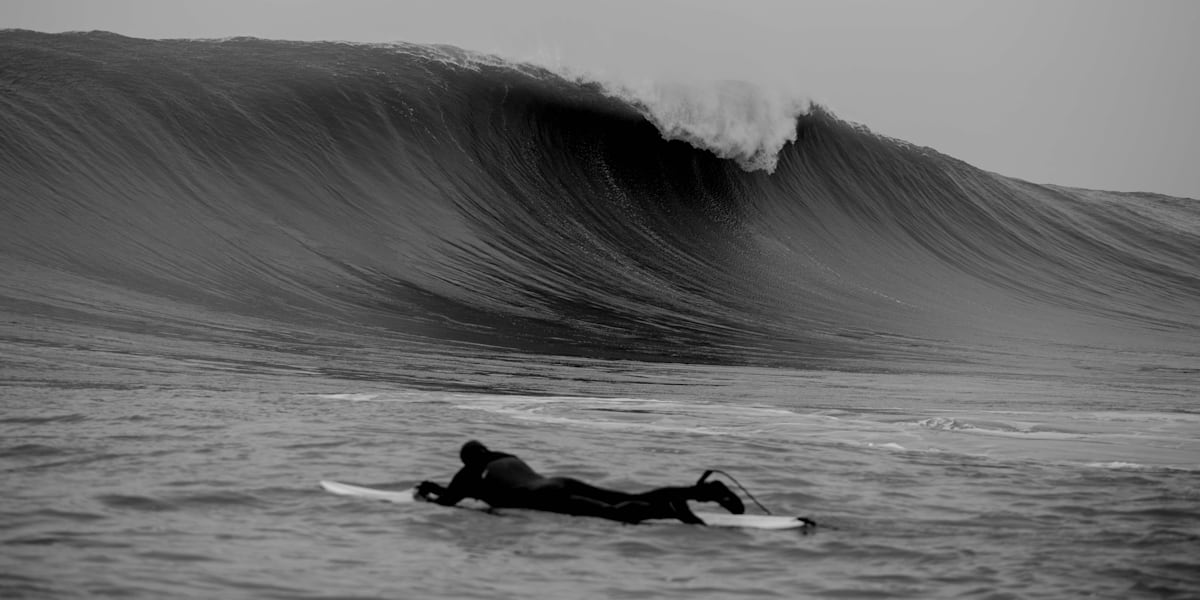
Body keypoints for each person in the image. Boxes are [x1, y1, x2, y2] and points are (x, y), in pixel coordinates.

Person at [415, 440, 745, 524]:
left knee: (612, 514)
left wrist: (430, 492)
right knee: (626, 496)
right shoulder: (505, 457)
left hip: (545, 498)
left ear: (467, 461)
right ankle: (704, 491)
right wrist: (443, 488)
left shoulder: (472, 473)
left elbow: (449, 502)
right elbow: (462, 490)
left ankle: (670, 512)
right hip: (559, 481)